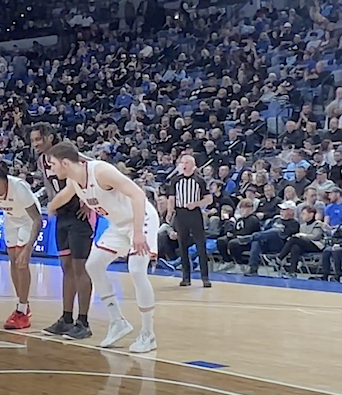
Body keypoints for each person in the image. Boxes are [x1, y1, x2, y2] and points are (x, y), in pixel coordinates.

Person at [48, 142, 158, 353]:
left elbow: (138, 194)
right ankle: (118, 322)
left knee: (136, 270)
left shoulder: (100, 171)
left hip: (140, 219)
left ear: (65, 163)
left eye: (52, 164)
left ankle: (148, 334)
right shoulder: (74, 179)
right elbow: (64, 196)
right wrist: (48, 208)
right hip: (119, 225)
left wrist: (137, 232)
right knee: (94, 265)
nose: (51, 169)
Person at [30, 123, 94, 339]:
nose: (35, 144)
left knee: (79, 267)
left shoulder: (67, 151)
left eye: (38, 139)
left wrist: (89, 199)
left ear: (49, 137)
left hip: (80, 213)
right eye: (33, 141)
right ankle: (66, 318)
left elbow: (92, 167)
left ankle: (83, 322)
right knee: (66, 266)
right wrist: (52, 205)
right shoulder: (42, 160)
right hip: (63, 215)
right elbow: (49, 184)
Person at [0, 162, 44, 330]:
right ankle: (22, 306)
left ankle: (22, 309)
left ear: (5, 182)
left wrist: (29, 248)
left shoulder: (19, 188)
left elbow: (37, 220)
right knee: (13, 261)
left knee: (22, 263)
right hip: (11, 219)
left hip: (29, 219)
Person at [166, 154, 212, 287]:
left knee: (200, 245)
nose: (183, 164)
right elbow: (171, 198)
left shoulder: (200, 180)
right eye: (182, 162)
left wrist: (197, 204)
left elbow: (209, 199)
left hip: (195, 213)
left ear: (192, 164)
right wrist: (170, 212)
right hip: (181, 214)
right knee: (182, 245)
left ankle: (205, 277)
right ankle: (186, 277)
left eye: (186, 162)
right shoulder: (175, 180)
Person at [274, 205, 325, 276]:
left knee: (295, 239)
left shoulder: (317, 224)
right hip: (304, 245)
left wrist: (303, 236)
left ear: (311, 214)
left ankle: (280, 257)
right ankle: (292, 271)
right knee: (295, 247)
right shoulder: (302, 226)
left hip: (315, 245)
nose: (301, 216)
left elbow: (316, 236)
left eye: (304, 214)